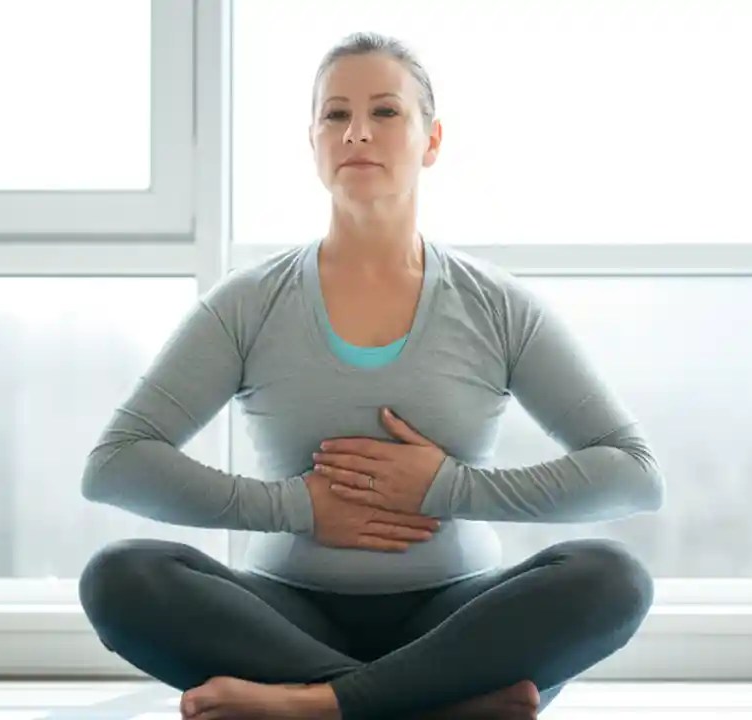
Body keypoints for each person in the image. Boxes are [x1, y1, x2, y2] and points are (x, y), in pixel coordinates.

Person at [77, 31, 665, 720]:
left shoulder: (497, 306)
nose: (357, 132)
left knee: (612, 579)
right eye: (335, 115)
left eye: (385, 112)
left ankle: (311, 706)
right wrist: (299, 507)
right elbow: (116, 464)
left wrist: (448, 488)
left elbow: (634, 472)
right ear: (314, 143)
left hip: (458, 615)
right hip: (284, 617)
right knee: (121, 577)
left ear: (432, 140)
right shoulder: (249, 303)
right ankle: (433, 706)